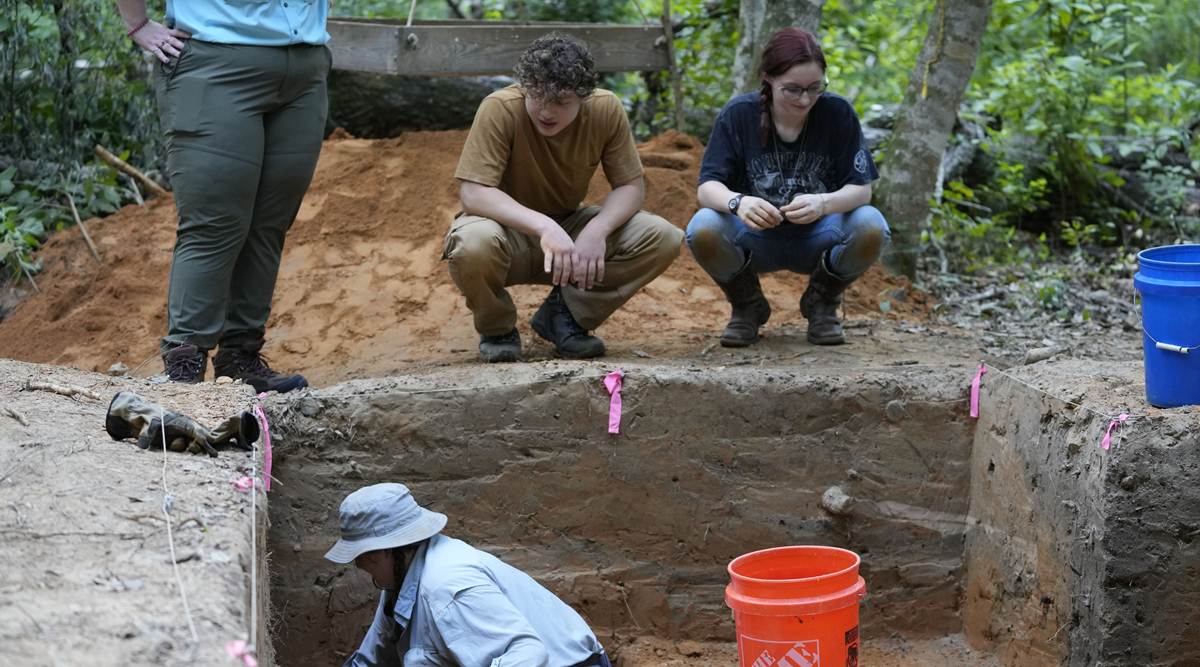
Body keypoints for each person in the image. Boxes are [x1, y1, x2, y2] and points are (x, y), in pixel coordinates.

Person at [114, 0, 328, 392]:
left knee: (268, 224)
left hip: (305, 70)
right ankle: (185, 364)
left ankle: (241, 359)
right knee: (214, 222)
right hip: (213, 65)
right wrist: (138, 25)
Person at [447, 34, 683, 363]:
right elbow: (473, 193)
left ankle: (565, 317)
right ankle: (497, 327)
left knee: (662, 236)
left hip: (569, 233)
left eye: (561, 102)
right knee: (472, 243)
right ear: (526, 85)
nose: (546, 110)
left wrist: (597, 231)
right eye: (537, 96)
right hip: (503, 232)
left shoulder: (606, 109)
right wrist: (543, 226)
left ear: (584, 97)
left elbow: (632, 187)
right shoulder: (499, 108)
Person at [686, 27, 890, 348]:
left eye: (815, 87)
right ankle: (746, 307)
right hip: (756, 237)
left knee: (871, 224)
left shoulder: (837, 113)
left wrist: (823, 203)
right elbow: (707, 188)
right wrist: (740, 203)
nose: (805, 99)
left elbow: (862, 191)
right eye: (792, 89)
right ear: (768, 79)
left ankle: (822, 303)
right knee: (703, 227)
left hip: (819, 235)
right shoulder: (739, 115)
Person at [326, 483, 611, 667]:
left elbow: (527, 653)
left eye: (364, 555)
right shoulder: (402, 578)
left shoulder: (446, 586)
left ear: (387, 551)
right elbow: (373, 657)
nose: (361, 565)